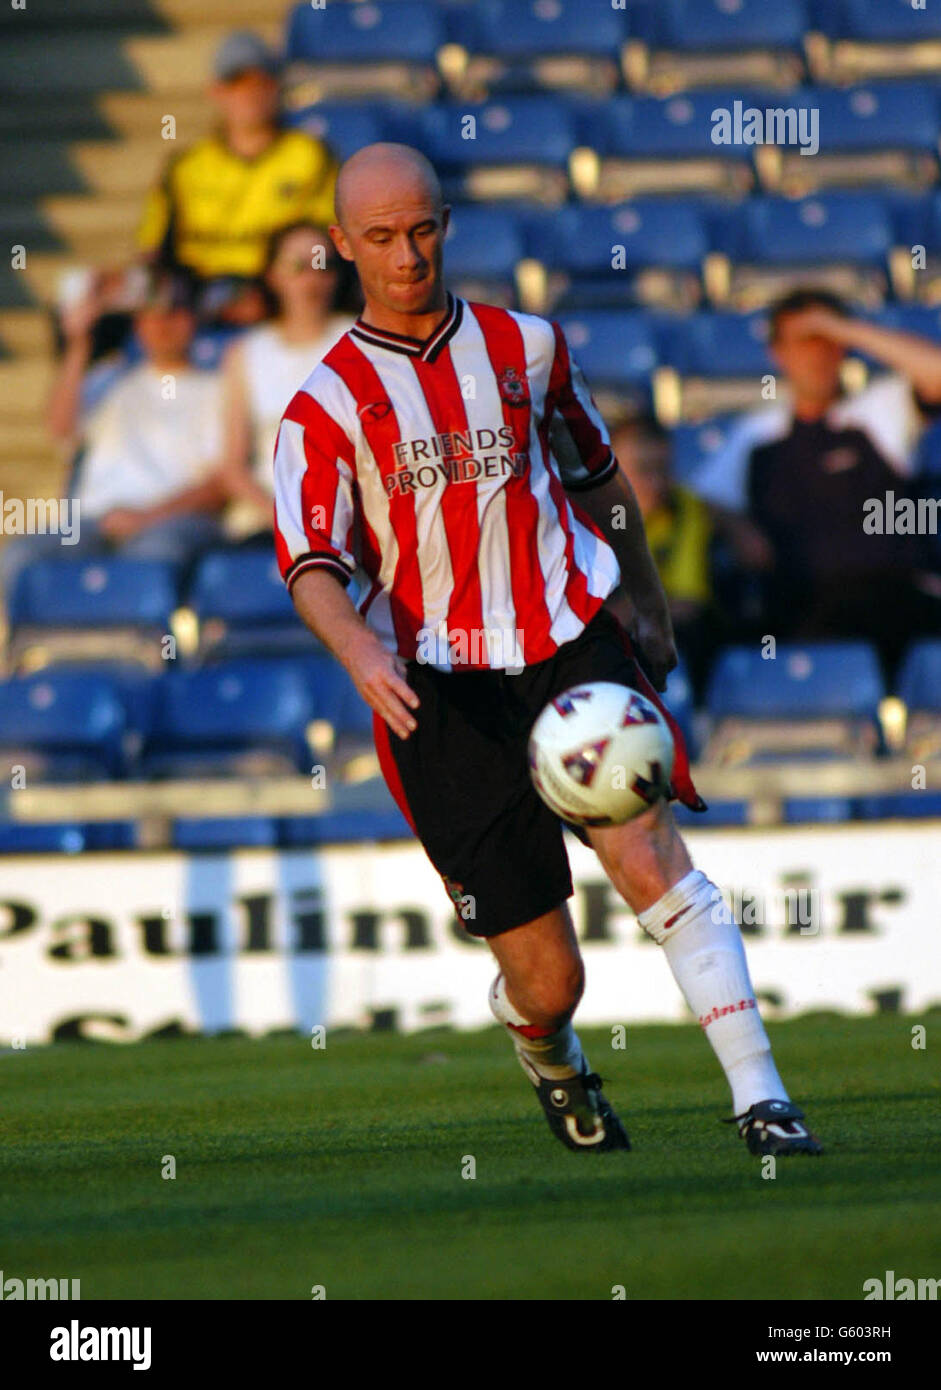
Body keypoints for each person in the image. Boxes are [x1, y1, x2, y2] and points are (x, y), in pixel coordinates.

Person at [272, 143, 822, 1159]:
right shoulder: (323, 408)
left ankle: (763, 1099)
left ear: (445, 223)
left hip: (568, 641)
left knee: (647, 850)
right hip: (436, 691)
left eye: (423, 228)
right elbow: (310, 563)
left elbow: (598, 478)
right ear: (343, 246)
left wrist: (645, 602)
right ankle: (551, 1054)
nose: (407, 255)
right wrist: (356, 649)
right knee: (548, 977)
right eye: (381, 237)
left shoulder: (527, 347)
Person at [693, 289, 941, 671]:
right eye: (805, 343)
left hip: (898, 599)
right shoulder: (756, 435)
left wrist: (845, 328)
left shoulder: (879, 410)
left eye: (828, 343)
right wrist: (736, 526)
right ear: (778, 353)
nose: (817, 356)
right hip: (807, 609)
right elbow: (698, 497)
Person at [2, 269, 225, 597]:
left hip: (172, 521)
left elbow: (219, 484)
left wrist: (146, 517)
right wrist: (79, 341)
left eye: (175, 310)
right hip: (94, 519)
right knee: (18, 558)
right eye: (152, 312)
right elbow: (60, 428)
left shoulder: (218, 389)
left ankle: (133, 647)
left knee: (148, 562)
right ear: (138, 323)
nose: (163, 322)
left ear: (193, 318)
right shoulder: (111, 379)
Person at [136, 32, 338, 318]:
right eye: (237, 84)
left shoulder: (311, 156)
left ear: (276, 88)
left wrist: (270, 294)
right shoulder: (185, 166)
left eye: (260, 83)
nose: (249, 95)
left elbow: (326, 243)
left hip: (282, 300)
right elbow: (152, 250)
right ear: (216, 91)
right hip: (197, 301)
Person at [214, 222, 356, 542]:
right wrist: (283, 517)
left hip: (350, 513)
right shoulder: (246, 353)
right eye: (297, 266)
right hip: (268, 518)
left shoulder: (359, 339)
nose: (312, 278)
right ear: (272, 275)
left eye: (323, 265)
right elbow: (233, 467)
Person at [612, 413, 719, 689]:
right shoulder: (579, 517)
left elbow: (688, 603)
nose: (657, 483)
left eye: (664, 469)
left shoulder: (685, 510)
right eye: (644, 470)